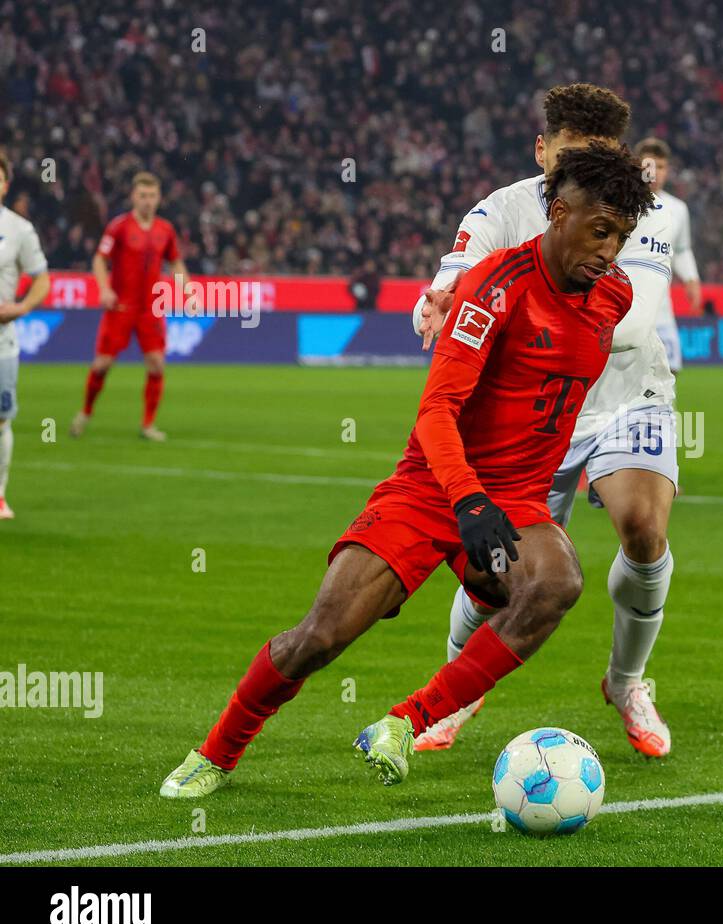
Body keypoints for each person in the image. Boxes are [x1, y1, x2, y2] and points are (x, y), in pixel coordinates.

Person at [159, 144, 655, 797]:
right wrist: (468, 500)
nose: (610, 250)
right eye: (599, 231)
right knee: (319, 638)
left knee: (556, 581)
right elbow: (438, 410)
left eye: (621, 236)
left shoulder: (612, 297)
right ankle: (216, 753)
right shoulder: (494, 288)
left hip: (515, 502)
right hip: (432, 488)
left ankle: (404, 722)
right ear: (558, 213)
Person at [411, 83, 679, 758]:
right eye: (565, 155)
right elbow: (458, 272)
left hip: (625, 393)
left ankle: (627, 681)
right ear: (543, 149)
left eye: (594, 157)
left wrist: (525, 323)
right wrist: (436, 301)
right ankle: (458, 688)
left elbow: (636, 321)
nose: (576, 172)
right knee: (497, 557)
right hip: (527, 410)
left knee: (644, 529)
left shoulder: (642, 211)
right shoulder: (500, 209)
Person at [71, 171, 187, 441]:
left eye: (152, 196)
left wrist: (188, 290)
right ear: (133, 197)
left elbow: (176, 261)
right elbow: (100, 260)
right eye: (143, 196)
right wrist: (104, 288)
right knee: (102, 365)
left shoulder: (165, 230)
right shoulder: (119, 227)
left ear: (159, 198)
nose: (147, 201)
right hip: (121, 307)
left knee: (157, 364)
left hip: (150, 308)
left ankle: (148, 425)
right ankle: (85, 412)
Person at [0, 150, 51, 520]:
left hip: (2, 344)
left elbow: (42, 280)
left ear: (5, 183)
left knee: (1, 420)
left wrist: (20, 308)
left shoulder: (19, 229)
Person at [633, 137, 701, 372]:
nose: (654, 172)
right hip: (627, 305)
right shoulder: (622, 205)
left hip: (661, 308)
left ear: (667, 170)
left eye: (660, 167)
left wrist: (692, 279)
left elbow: (681, 250)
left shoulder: (678, 209)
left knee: (668, 373)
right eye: (648, 165)